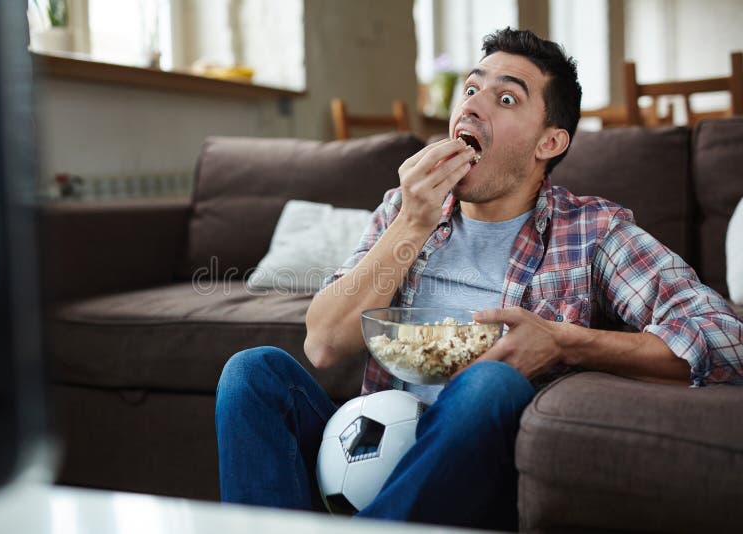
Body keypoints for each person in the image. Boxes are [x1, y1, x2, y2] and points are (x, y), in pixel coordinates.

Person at [215, 28, 743, 530]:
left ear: (549, 142)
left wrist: (565, 342)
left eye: (506, 98)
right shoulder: (404, 208)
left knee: (491, 383)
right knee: (252, 373)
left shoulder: (592, 232)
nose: (472, 105)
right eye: (470, 89)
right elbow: (324, 343)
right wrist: (412, 223)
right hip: (367, 454)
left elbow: (725, 336)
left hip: (476, 471)